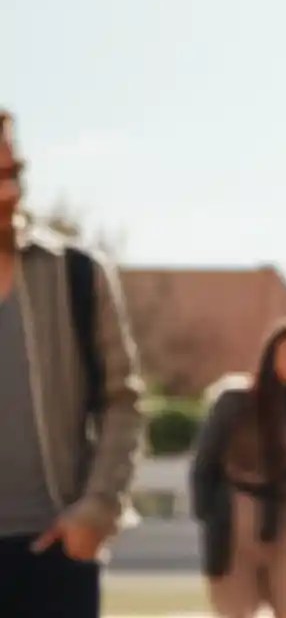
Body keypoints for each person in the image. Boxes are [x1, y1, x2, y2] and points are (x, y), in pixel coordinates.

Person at [0, 108, 145, 617]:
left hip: (55, 552)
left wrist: (98, 508)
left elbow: (122, 402)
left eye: (13, 174)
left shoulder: (78, 275)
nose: (9, 194)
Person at [190, 321, 286, 618]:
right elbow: (204, 463)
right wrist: (210, 514)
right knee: (234, 610)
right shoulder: (236, 398)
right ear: (271, 353)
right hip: (236, 515)